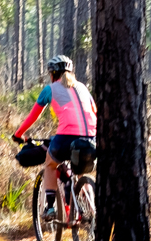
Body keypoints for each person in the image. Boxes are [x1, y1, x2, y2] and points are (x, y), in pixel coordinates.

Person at [13, 54, 97, 211]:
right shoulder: (83, 87)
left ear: (52, 74)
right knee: (81, 172)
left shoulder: (50, 89)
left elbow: (33, 117)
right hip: (91, 138)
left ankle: (50, 207)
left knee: (50, 164)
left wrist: (18, 134)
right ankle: (90, 211)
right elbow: (94, 112)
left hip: (66, 138)